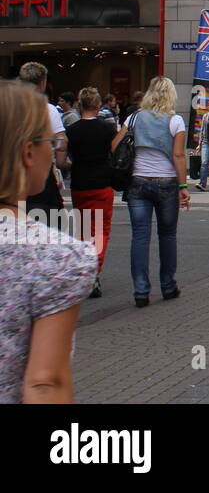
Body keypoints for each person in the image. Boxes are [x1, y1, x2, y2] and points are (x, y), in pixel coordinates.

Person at [0, 80, 98, 403]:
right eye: (50, 141)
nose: (54, 149)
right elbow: (44, 382)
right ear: (28, 151)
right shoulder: (56, 257)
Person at [111, 76, 190, 307]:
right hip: (166, 183)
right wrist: (183, 187)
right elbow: (178, 155)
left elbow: (115, 145)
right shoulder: (175, 121)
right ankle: (167, 285)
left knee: (140, 236)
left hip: (137, 182)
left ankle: (141, 290)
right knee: (167, 235)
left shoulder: (133, 118)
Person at [64, 87, 118, 298]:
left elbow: (64, 158)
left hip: (79, 185)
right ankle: (93, 272)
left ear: (79, 104)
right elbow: (114, 151)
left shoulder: (72, 129)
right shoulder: (106, 128)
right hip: (102, 183)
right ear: (97, 105)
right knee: (101, 230)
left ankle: (83, 271)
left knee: (83, 231)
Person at [18, 62, 68, 219]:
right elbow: (62, 142)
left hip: (13, 177)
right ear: (42, 83)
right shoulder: (48, 109)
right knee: (49, 229)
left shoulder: (11, 107)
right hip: (43, 179)